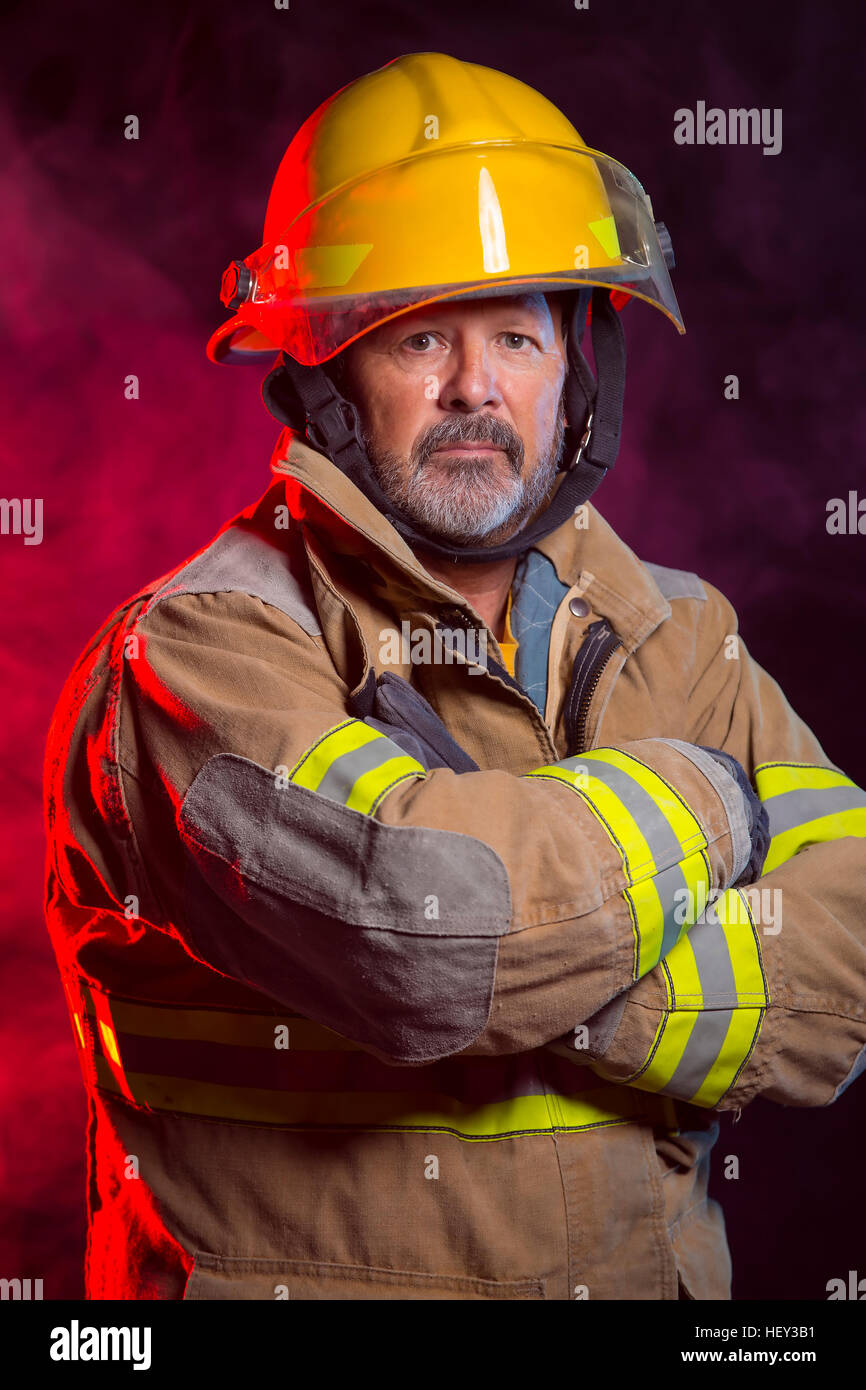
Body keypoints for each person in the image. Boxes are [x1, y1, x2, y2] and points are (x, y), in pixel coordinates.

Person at [43, 51, 866, 1301]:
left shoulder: (683, 639)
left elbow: (846, 979)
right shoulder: (194, 656)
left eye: (517, 337)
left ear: (574, 369)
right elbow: (431, 934)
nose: (476, 386)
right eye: (419, 335)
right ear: (322, 371)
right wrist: (710, 800)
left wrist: (550, 966)